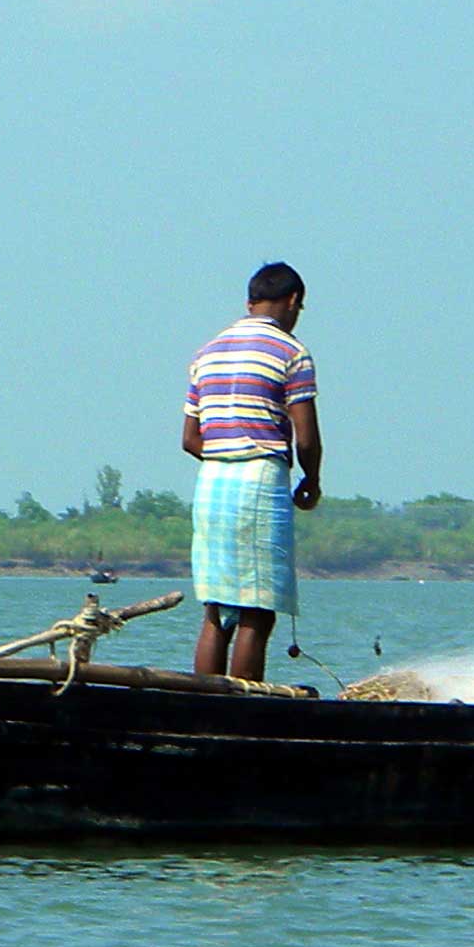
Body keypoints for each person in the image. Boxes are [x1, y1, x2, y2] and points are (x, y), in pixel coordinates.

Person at [184, 263, 321, 681]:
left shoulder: (207, 352)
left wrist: (225, 453)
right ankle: (243, 711)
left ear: (250, 302)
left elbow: (190, 438)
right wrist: (310, 482)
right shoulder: (290, 351)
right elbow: (307, 438)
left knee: (216, 611)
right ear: (293, 301)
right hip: (258, 480)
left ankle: (202, 705)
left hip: (211, 483)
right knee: (256, 612)